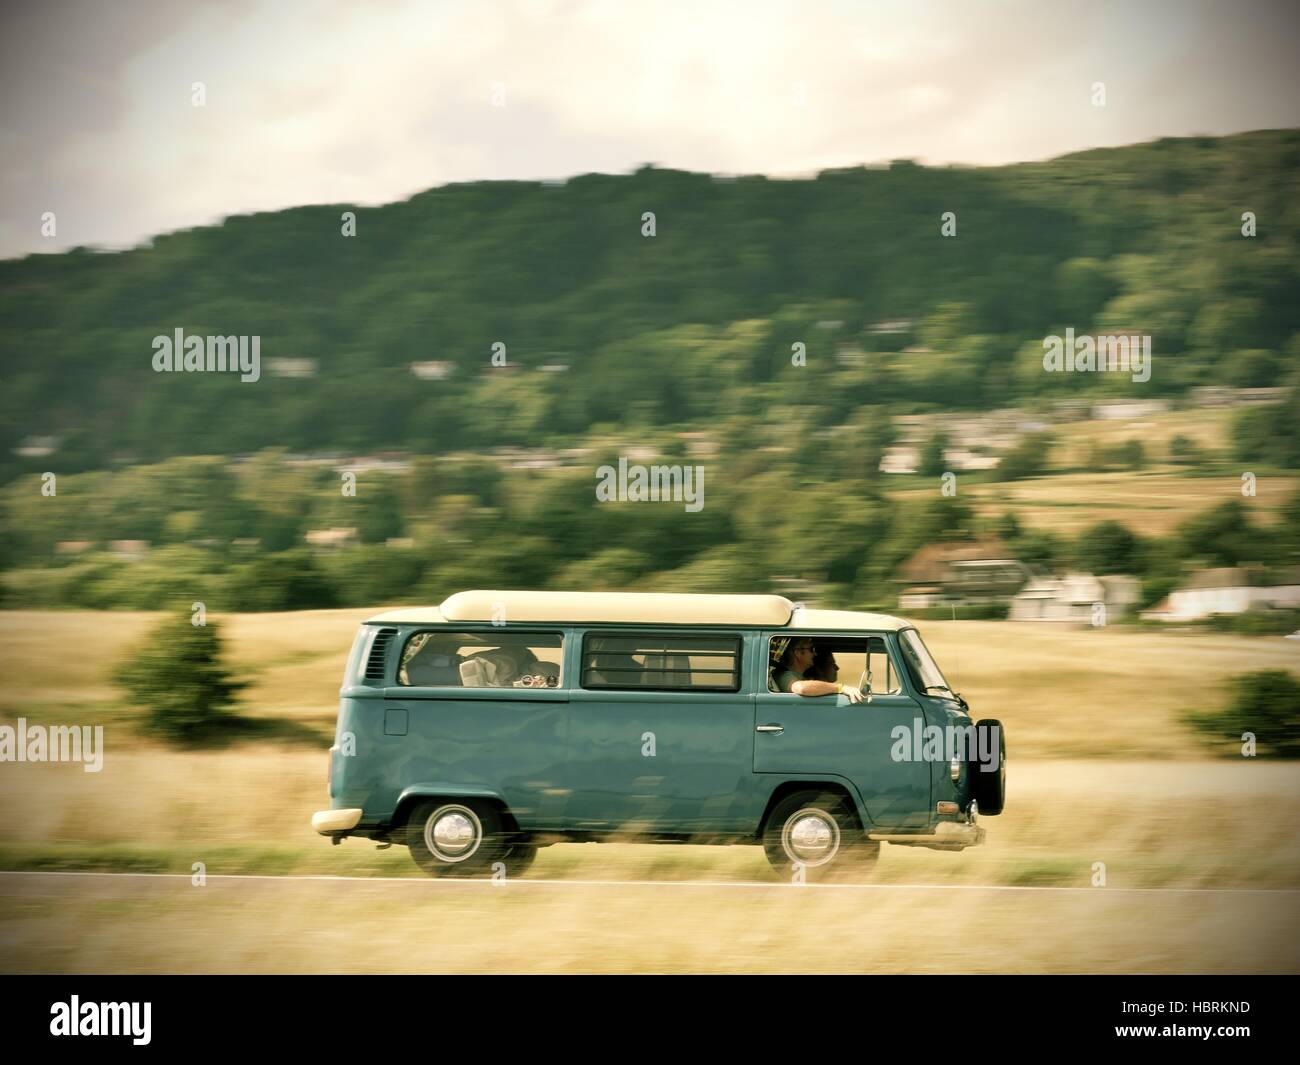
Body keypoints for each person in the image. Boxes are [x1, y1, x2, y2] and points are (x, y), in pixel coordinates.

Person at [770, 637, 864, 702]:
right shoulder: (785, 675)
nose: (814, 654)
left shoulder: (800, 676)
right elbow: (801, 688)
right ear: (798, 653)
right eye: (811, 649)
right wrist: (841, 688)